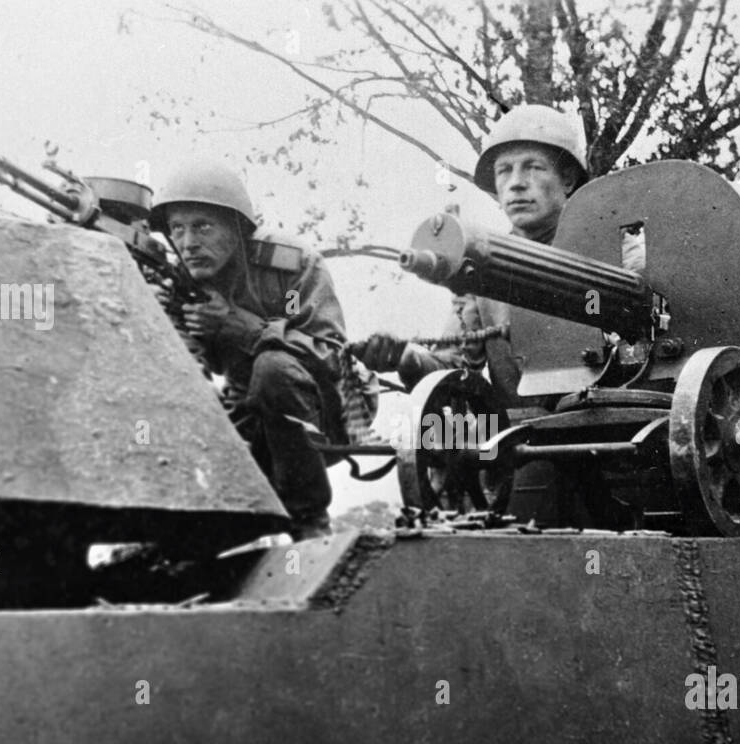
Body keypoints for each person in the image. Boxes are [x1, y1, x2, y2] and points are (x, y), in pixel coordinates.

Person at [149, 160, 348, 541]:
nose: (188, 243)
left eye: (203, 226)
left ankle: (309, 522)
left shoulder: (289, 266)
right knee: (205, 528)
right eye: (177, 229)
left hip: (323, 410)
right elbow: (188, 382)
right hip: (249, 411)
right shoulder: (180, 286)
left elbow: (331, 358)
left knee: (273, 368)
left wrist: (247, 331)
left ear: (237, 227)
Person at [357, 104, 593, 405]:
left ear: (568, 179)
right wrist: (405, 358)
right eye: (503, 171)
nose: (516, 183)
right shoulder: (483, 267)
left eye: (533, 167)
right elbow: (455, 366)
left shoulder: (609, 247)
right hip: (525, 443)